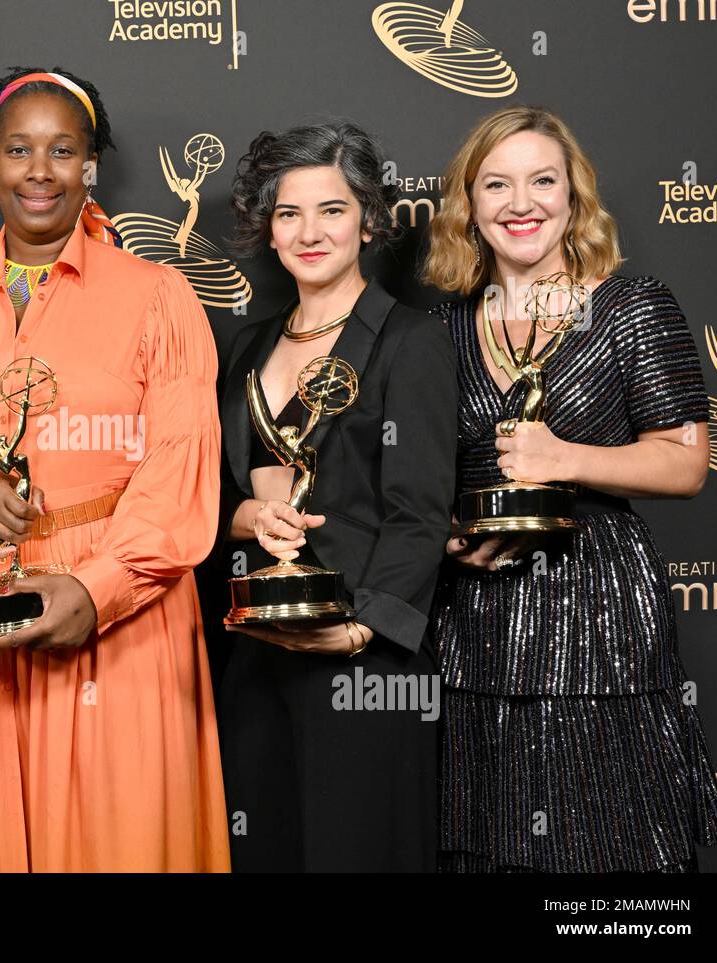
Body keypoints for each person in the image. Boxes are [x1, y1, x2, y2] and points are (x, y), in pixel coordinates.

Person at [0, 67, 229, 871]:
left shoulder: (158, 295)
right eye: (18, 148)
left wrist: (97, 591)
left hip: (120, 620)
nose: (39, 170)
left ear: (91, 165)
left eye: (64, 150)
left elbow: (179, 471)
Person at [425, 105, 717, 872]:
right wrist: (444, 536)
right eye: (497, 183)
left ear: (573, 197)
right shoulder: (443, 326)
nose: (520, 203)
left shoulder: (631, 306)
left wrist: (563, 455)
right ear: (469, 203)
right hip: (480, 622)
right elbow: (414, 475)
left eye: (542, 181)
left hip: (599, 619)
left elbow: (686, 461)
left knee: (613, 848)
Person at [205, 123, 457, 871]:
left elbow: (420, 510)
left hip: (365, 661)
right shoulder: (245, 346)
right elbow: (217, 491)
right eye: (289, 213)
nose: (310, 231)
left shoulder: (409, 340)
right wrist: (244, 516)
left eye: (333, 209)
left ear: (370, 220)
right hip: (257, 648)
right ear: (267, 228)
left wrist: (359, 631)